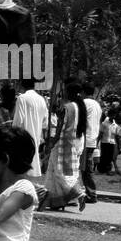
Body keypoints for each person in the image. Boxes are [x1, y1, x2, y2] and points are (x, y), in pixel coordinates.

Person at [41, 82, 87, 211]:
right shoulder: (79, 106)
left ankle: (78, 193)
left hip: (62, 144)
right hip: (73, 143)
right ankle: (56, 201)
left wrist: (52, 144)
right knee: (59, 171)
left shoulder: (67, 107)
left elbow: (60, 128)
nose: (63, 93)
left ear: (69, 92)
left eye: (65, 90)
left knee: (58, 172)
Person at [11, 77, 47, 177]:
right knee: (30, 168)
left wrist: (12, 133)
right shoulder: (41, 99)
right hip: (36, 136)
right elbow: (45, 122)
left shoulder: (22, 98)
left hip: (22, 136)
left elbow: (18, 121)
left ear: (22, 85)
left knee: (20, 169)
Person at [80, 83, 101, 203]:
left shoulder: (85, 103)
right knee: (86, 168)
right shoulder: (97, 105)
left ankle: (91, 194)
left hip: (85, 140)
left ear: (83, 92)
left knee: (86, 169)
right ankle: (89, 193)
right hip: (92, 139)